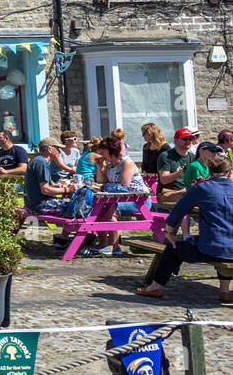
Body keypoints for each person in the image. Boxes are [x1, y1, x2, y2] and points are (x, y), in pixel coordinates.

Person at [136, 154, 233, 305]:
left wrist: (169, 233)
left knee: (173, 248)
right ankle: (224, 291)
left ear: (209, 171)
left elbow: (178, 211)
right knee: (224, 242)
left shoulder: (202, 187)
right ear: (230, 173)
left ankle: (156, 287)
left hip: (210, 249)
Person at [85, 135, 153, 257]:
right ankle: (103, 244)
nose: (101, 153)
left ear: (112, 152)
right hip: (119, 198)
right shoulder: (110, 164)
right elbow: (103, 182)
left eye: (104, 151)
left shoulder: (127, 163)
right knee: (100, 209)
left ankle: (114, 246)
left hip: (138, 200)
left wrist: (105, 186)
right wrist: (100, 168)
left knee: (111, 211)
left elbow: (124, 187)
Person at [24, 137, 79, 216]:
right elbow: (45, 190)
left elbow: (48, 185)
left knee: (74, 206)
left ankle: (68, 228)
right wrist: (67, 189)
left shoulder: (38, 160)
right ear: (50, 149)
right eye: (58, 149)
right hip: (40, 206)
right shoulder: (41, 162)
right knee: (77, 208)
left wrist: (60, 186)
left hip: (33, 204)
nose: (60, 152)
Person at [157, 127, 199, 196]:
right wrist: (180, 172)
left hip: (187, 192)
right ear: (176, 140)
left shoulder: (193, 157)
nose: (188, 141)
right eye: (185, 139)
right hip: (169, 194)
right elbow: (164, 180)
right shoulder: (165, 156)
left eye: (190, 139)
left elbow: (195, 179)